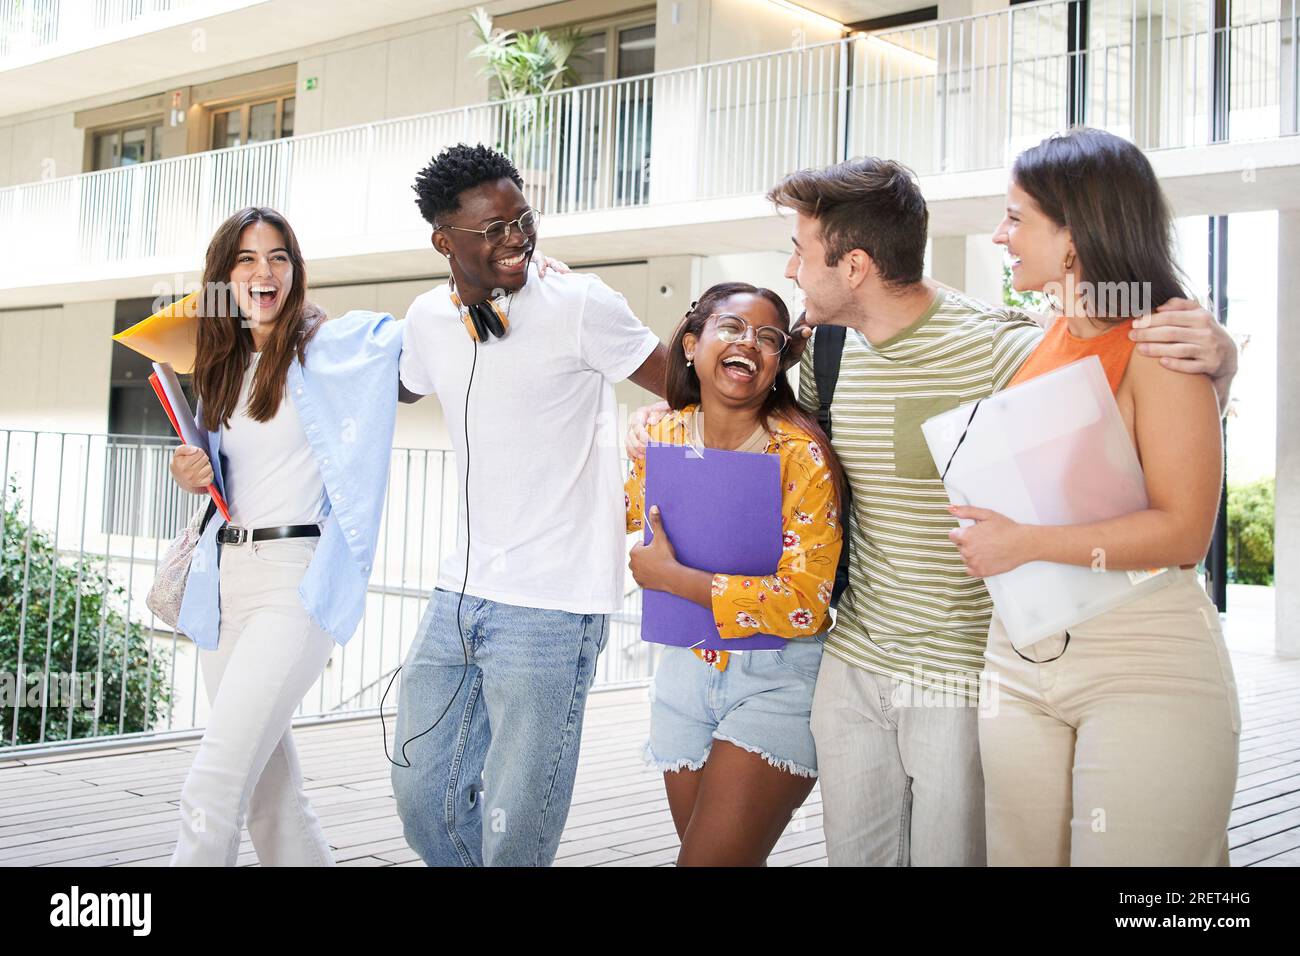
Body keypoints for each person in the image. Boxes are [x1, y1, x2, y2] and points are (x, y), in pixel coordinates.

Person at [628, 155, 1238, 866]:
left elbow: (1135, 418)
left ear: (853, 266)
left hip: (963, 673)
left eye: (799, 251)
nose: (792, 270)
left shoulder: (1004, 348)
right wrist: (667, 423)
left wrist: (1219, 361)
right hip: (850, 667)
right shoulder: (825, 353)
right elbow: (761, 430)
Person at [947, 128, 1239, 865]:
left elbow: (1182, 532)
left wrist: (1024, 543)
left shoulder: (1161, 342)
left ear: (1073, 234)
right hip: (1020, 657)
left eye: (1016, 218)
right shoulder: (1048, 337)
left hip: (1141, 655)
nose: (1000, 235)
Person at [390, 144, 669, 867]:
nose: (517, 238)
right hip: (460, 591)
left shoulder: (581, 304)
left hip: (553, 604)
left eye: (523, 220)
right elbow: (392, 386)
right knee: (424, 796)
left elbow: (687, 388)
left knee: (518, 828)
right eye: (494, 230)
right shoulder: (426, 318)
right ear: (443, 242)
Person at [166, 206, 403, 866]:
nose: (262, 271)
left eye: (277, 258)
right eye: (245, 259)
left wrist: (498, 290)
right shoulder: (220, 366)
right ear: (224, 277)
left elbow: (405, 343)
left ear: (295, 274)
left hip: (291, 581)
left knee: (211, 785)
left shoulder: (324, 350)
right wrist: (191, 473)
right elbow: (222, 482)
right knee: (271, 796)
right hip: (224, 583)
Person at [624, 282, 844, 866]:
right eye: (732, 327)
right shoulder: (664, 435)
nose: (750, 341)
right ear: (691, 346)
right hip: (682, 679)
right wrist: (634, 439)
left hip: (774, 679)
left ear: (778, 363)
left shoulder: (801, 455)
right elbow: (622, 518)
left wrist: (672, 578)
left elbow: (804, 603)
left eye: (768, 337)